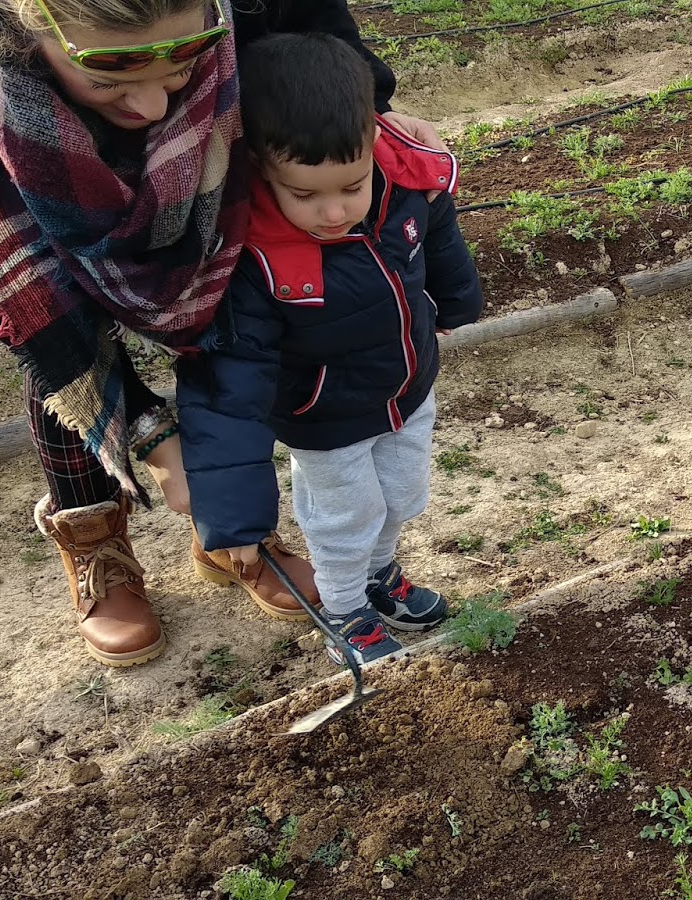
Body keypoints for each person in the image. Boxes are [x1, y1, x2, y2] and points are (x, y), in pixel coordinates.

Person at [0, 0, 447, 666]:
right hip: (46, 190)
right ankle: (96, 540)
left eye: (184, 58)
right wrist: (156, 441)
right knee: (61, 328)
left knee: (234, 307)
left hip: (205, 158)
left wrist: (368, 110)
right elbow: (26, 306)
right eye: (109, 73)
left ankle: (234, 537)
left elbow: (317, 24)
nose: (156, 106)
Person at [176, 33, 482, 666]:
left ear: (373, 145)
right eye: (306, 196)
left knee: (401, 494)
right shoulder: (256, 259)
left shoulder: (405, 181)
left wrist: (455, 304)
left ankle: (379, 576)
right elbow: (231, 383)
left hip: (405, 385)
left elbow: (436, 237)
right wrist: (236, 516)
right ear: (262, 168)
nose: (334, 210)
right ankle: (344, 607)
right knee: (346, 514)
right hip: (325, 415)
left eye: (351, 185)